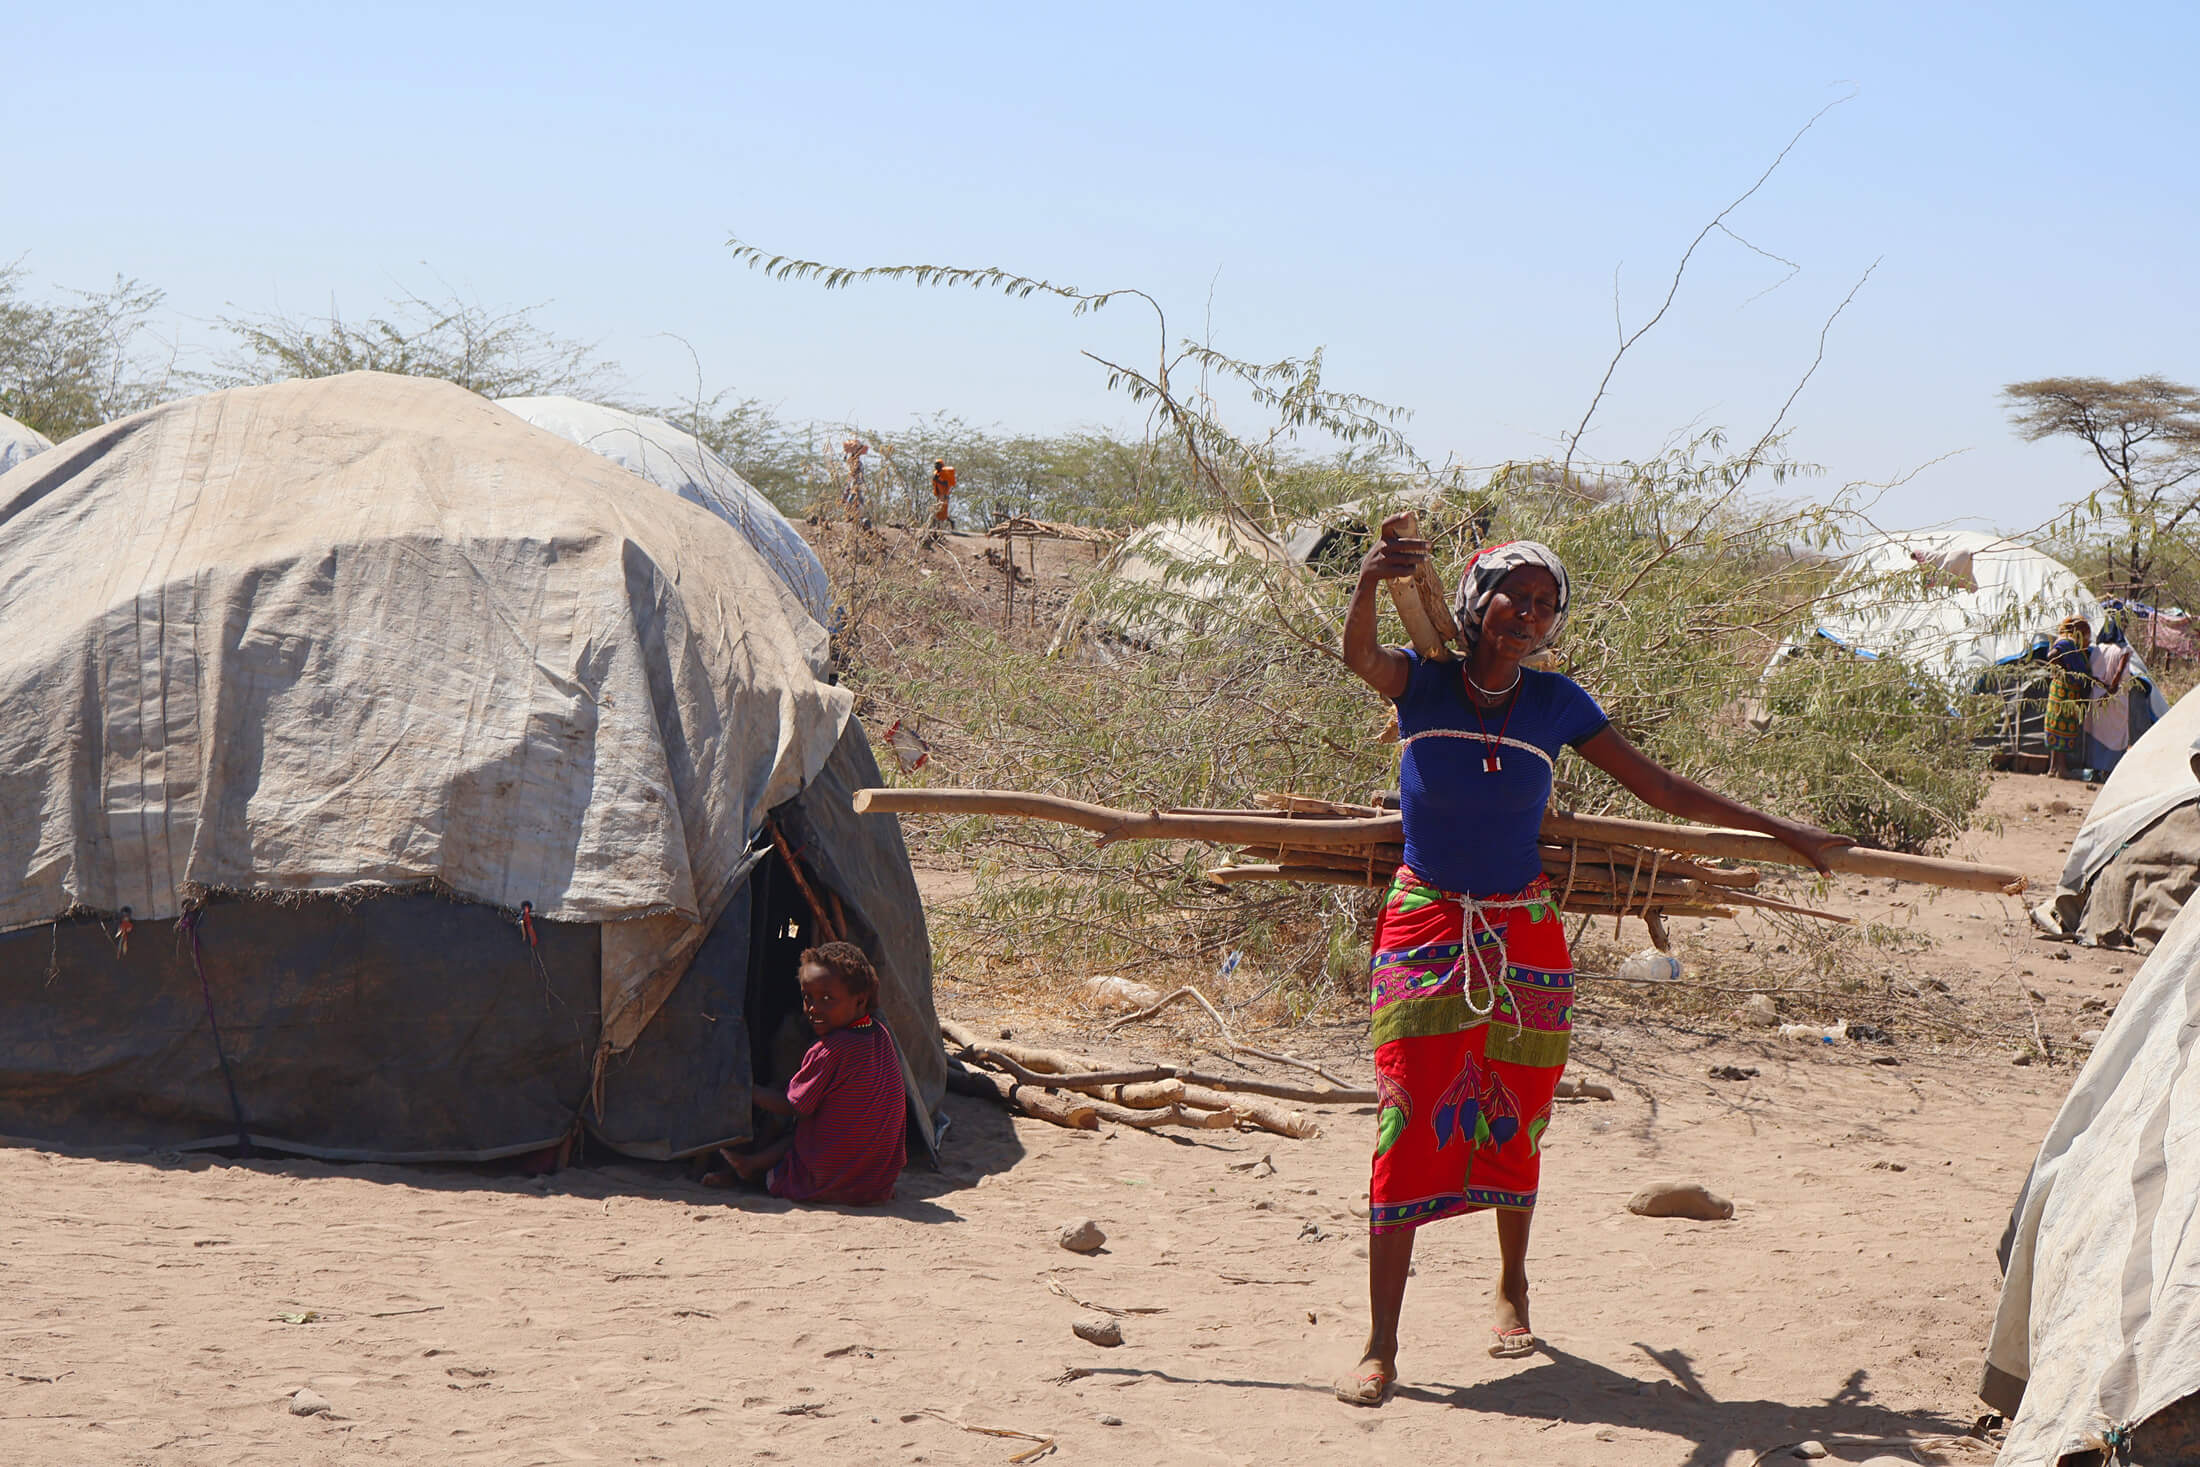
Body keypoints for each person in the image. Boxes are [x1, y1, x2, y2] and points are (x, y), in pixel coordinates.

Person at [1334, 518, 1850, 1407]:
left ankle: (1512, 1283)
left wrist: (1783, 830)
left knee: (1516, 1110)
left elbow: (1662, 788)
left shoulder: (1557, 704)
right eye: (1513, 598)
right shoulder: (1420, 686)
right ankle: (1381, 1341)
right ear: (1473, 603)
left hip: (1524, 932)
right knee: (1405, 1116)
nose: (1528, 616)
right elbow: (1360, 659)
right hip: (1426, 925)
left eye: (1545, 605)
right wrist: (1372, 580)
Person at [715, 942, 906, 1205]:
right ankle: (749, 1164)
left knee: (791, 1119)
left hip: (831, 1182)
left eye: (827, 999)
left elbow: (793, 1106)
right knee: (818, 1117)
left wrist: (745, 1089)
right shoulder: (879, 1035)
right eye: (808, 998)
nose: (814, 1008)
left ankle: (754, 1172)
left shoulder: (831, 1050)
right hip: (876, 1182)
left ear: (860, 1000)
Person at [2043, 616, 2095, 780]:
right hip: (2065, 691)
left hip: (2061, 690)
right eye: (2086, 632)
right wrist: (2064, 669)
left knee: (2057, 726)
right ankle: (2061, 769)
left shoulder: (2068, 641)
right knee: (2062, 727)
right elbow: (2052, 656)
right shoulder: (2067, 643)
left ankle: (2054, 768)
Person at [2085, 620, 2132, 776]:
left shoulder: (2097, 649)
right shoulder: (2123, 650)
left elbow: (2091, 674)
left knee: (2097, 731)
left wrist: (2103, 689)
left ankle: (2095, 769)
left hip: (2097, 695)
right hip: (2116, 696)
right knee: (2115, 734)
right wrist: (2111, 689)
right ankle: (2109, 770)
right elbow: (2119, 671)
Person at [931, 459, 957, 528]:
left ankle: (937, 527)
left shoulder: (944, 473)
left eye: (938, 464)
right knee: (940, 512)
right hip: (939, 495)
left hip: (944, 495)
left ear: (941, 465)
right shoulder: (936, 473)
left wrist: (937, 480)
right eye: (935, 464)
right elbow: (934, 484)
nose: (936, 466)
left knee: (940, 512)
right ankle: (949, 522)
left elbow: (946, 484)